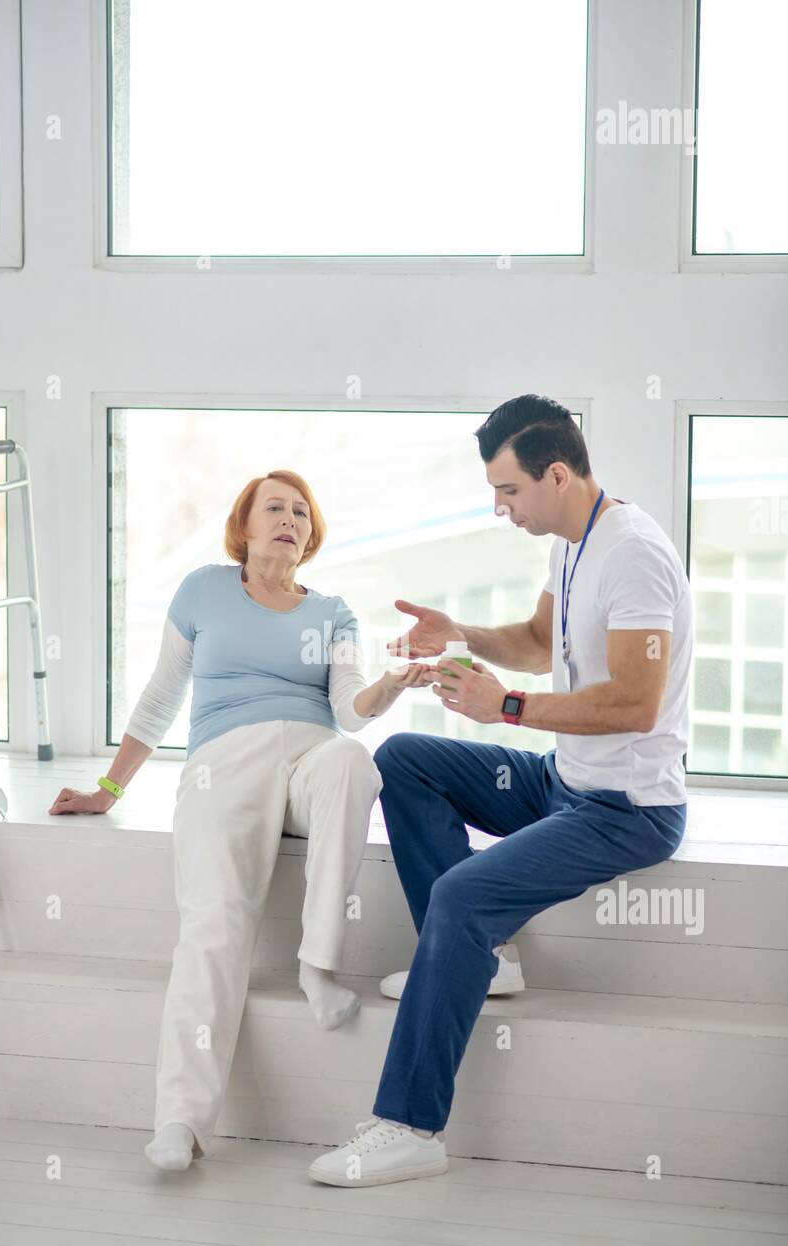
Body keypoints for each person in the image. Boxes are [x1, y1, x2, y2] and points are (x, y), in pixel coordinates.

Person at [309, 394, 692, 1188]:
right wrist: (460, 634)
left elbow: (636, 701)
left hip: (630, 810)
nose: (499, 507)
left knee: (459, 896)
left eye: (509, 490)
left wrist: (508, 707)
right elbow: (531, 640)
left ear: (557, 473)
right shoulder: (571, 541)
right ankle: (492, 962)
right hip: (567, 781)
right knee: (408, 758)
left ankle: (411, 1127)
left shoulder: (635, 554)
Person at [48, 470, 433, 1170]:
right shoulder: (205, 590)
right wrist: (108, 789)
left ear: (310, 535)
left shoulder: (335, 613)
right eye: (274, 509)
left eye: (300, 512)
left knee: (354, 761)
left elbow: (350, 708)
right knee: (213, 926)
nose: (289, 519)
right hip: (223, 764)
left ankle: (318, 966)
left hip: (312, 757)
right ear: (245, 526)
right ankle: (179, 1123)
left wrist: (392, 684)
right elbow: (162, 695)